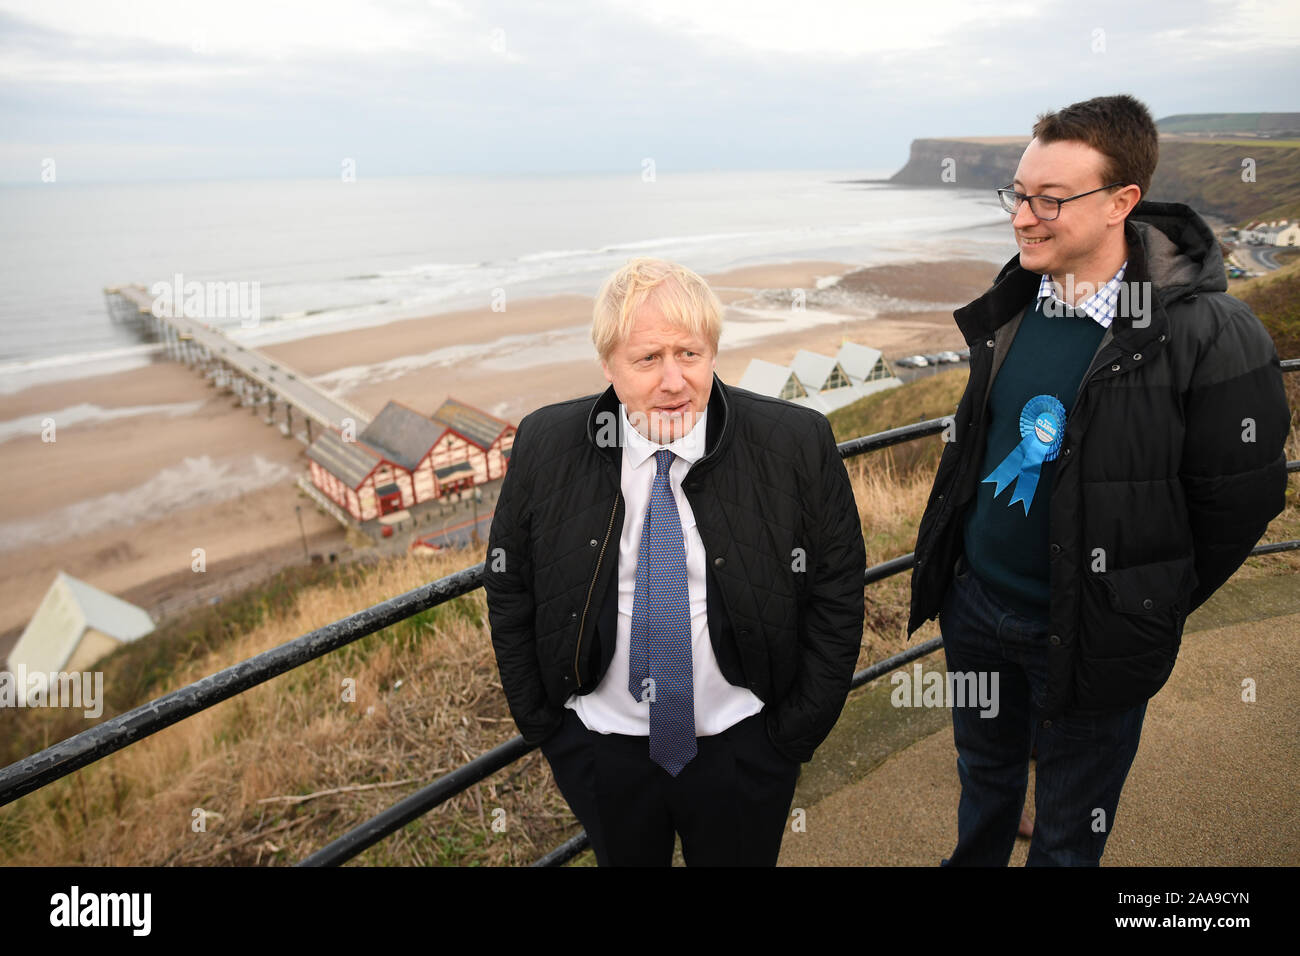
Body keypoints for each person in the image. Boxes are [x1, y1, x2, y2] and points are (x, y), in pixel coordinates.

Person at [908, 94, 1290, 866]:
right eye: (1018, 194)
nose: (1023, 218)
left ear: (1123, 202)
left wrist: (1141, 600)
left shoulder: (1212, 334)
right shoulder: (1015, 297)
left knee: (1069, 826)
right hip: (977, 606)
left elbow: (1241, 499)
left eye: (1050, 200)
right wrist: (956, 575)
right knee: (984, 780)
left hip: (1093, 632)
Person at [484, 257, 866, 866]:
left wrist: (792, 735)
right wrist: (548, 730)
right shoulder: (544, 445)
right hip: (602, 752)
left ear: (714, 352)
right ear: (607, 364)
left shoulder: (796, 444)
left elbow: (837, 593)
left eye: (690, 354)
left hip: (745, 748)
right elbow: (509, 587)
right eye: (646, 359)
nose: (672, 381)